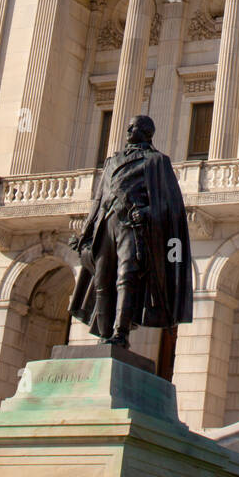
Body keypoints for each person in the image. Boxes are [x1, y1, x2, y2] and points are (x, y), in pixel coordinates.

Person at [69, 114, 193, 348]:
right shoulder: (111, 161)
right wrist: (85, 232)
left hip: (133, 228)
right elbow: (98, 199)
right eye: (128, 126)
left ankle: (120, 333)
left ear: (146, 132)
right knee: (102, 279)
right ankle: (105, 333)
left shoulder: (157, 161)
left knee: (126, 278)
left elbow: (170, 203)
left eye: (133, 127)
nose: (127, 130)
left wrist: (147, 212)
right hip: (107, 223)